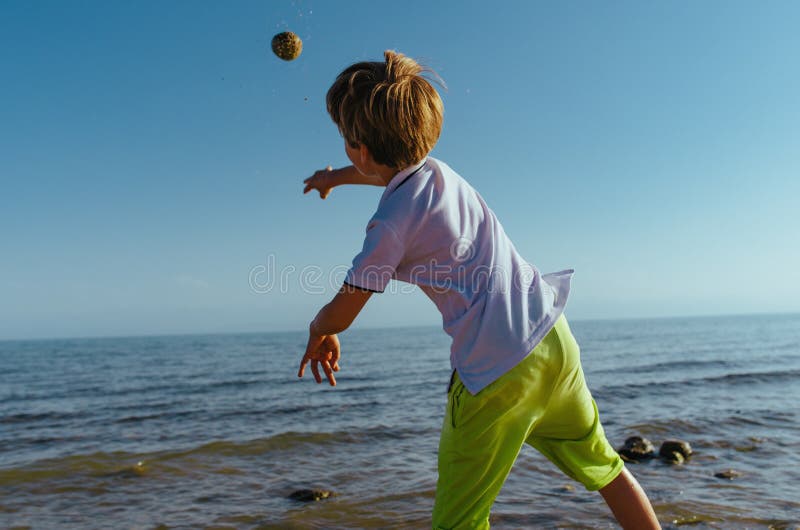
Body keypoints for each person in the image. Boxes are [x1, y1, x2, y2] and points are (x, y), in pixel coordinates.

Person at [298, 50, 661, 530]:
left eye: (348, 143)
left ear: (358, 148)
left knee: (459, 519)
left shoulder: (388, 225)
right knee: (607, 467)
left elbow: (344, 309)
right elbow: (382, 170)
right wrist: (334, 179)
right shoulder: (440, 174)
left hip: (495, 373)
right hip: (552, 340)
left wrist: (319, 327)